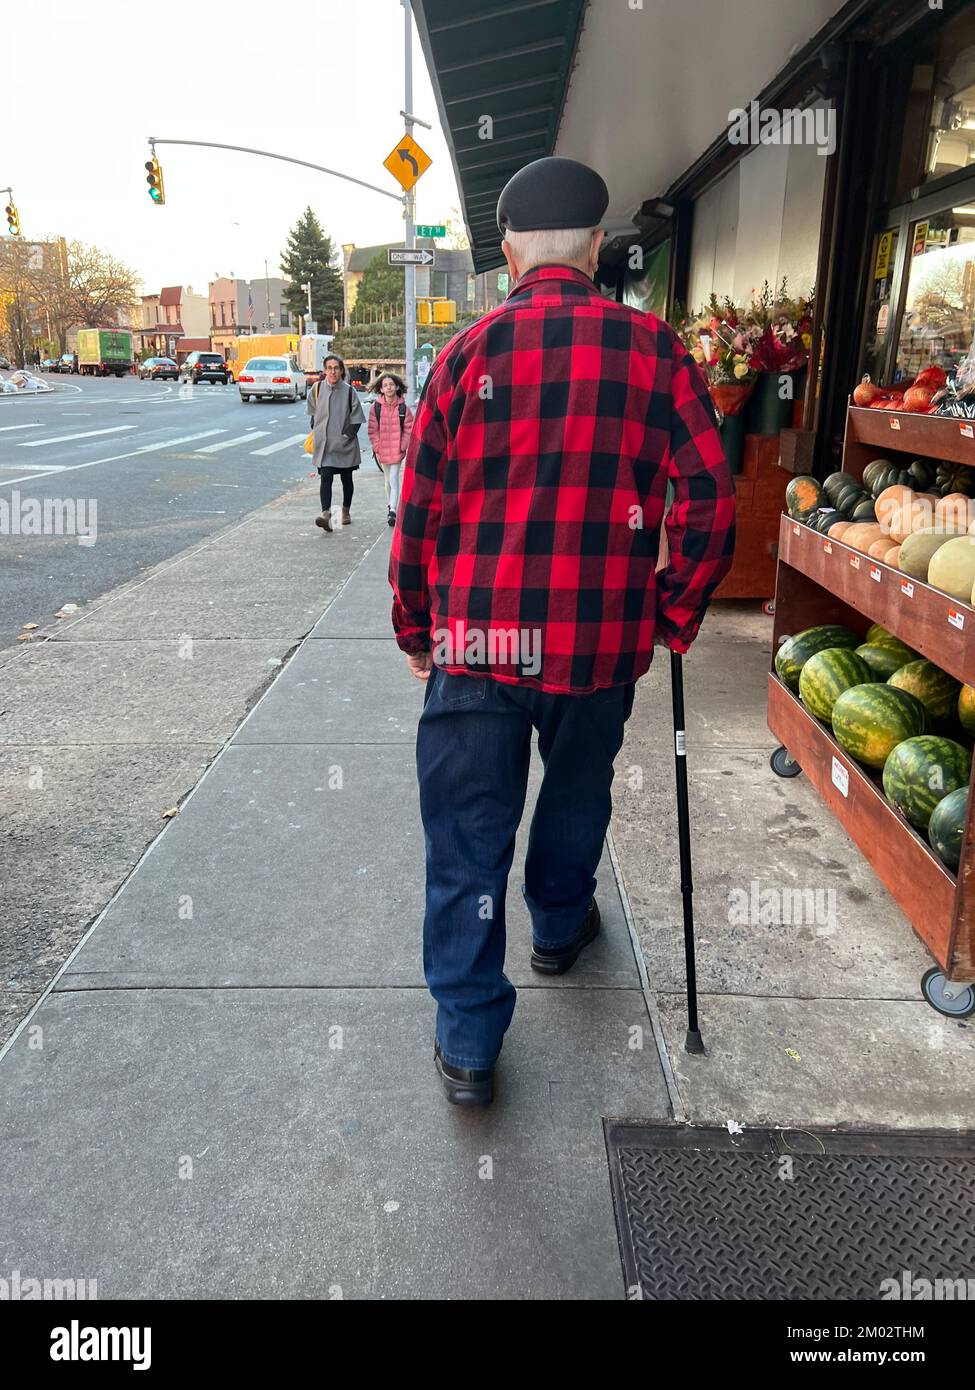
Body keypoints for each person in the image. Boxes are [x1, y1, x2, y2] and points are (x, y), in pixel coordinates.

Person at [389, 155, 735, 1107]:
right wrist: (673, 608)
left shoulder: (465, 356)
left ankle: (467, 1041)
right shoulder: (655, 352)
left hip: (476, 645)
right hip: (599, 643)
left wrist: (414, 626)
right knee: (577, 794)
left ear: (505, 252)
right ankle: (555, 926)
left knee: (465, 836)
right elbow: (710, 500)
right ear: (595, 245)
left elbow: (417, 510)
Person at [306, 353, 364, 532]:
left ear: (341, 371)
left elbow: (357, 419)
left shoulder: (349, 391)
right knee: (326, 477)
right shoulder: (316, 389)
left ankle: (345, 511)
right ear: (324, 370)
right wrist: (317, 432)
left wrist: (347, 436)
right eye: (329, 368)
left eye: (336, 368)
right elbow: (312, 415)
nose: (333, 371)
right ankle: (326, 514)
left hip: (344, 445)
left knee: (347, 479)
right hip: (324, 446)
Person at [367, 372, 414, 527]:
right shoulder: (376, 408)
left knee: (394, 478)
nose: (389, 387)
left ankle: (393, 510)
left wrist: (403, 446)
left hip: (397, 450)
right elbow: (372, 430)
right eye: (385, 385)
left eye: (391, 384)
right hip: (382, 451)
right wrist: (377, 447)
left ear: (397, 387)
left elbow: (409, 428)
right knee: (387, 480)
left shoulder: (403, 408)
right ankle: (391, 504)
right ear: (381, 389)